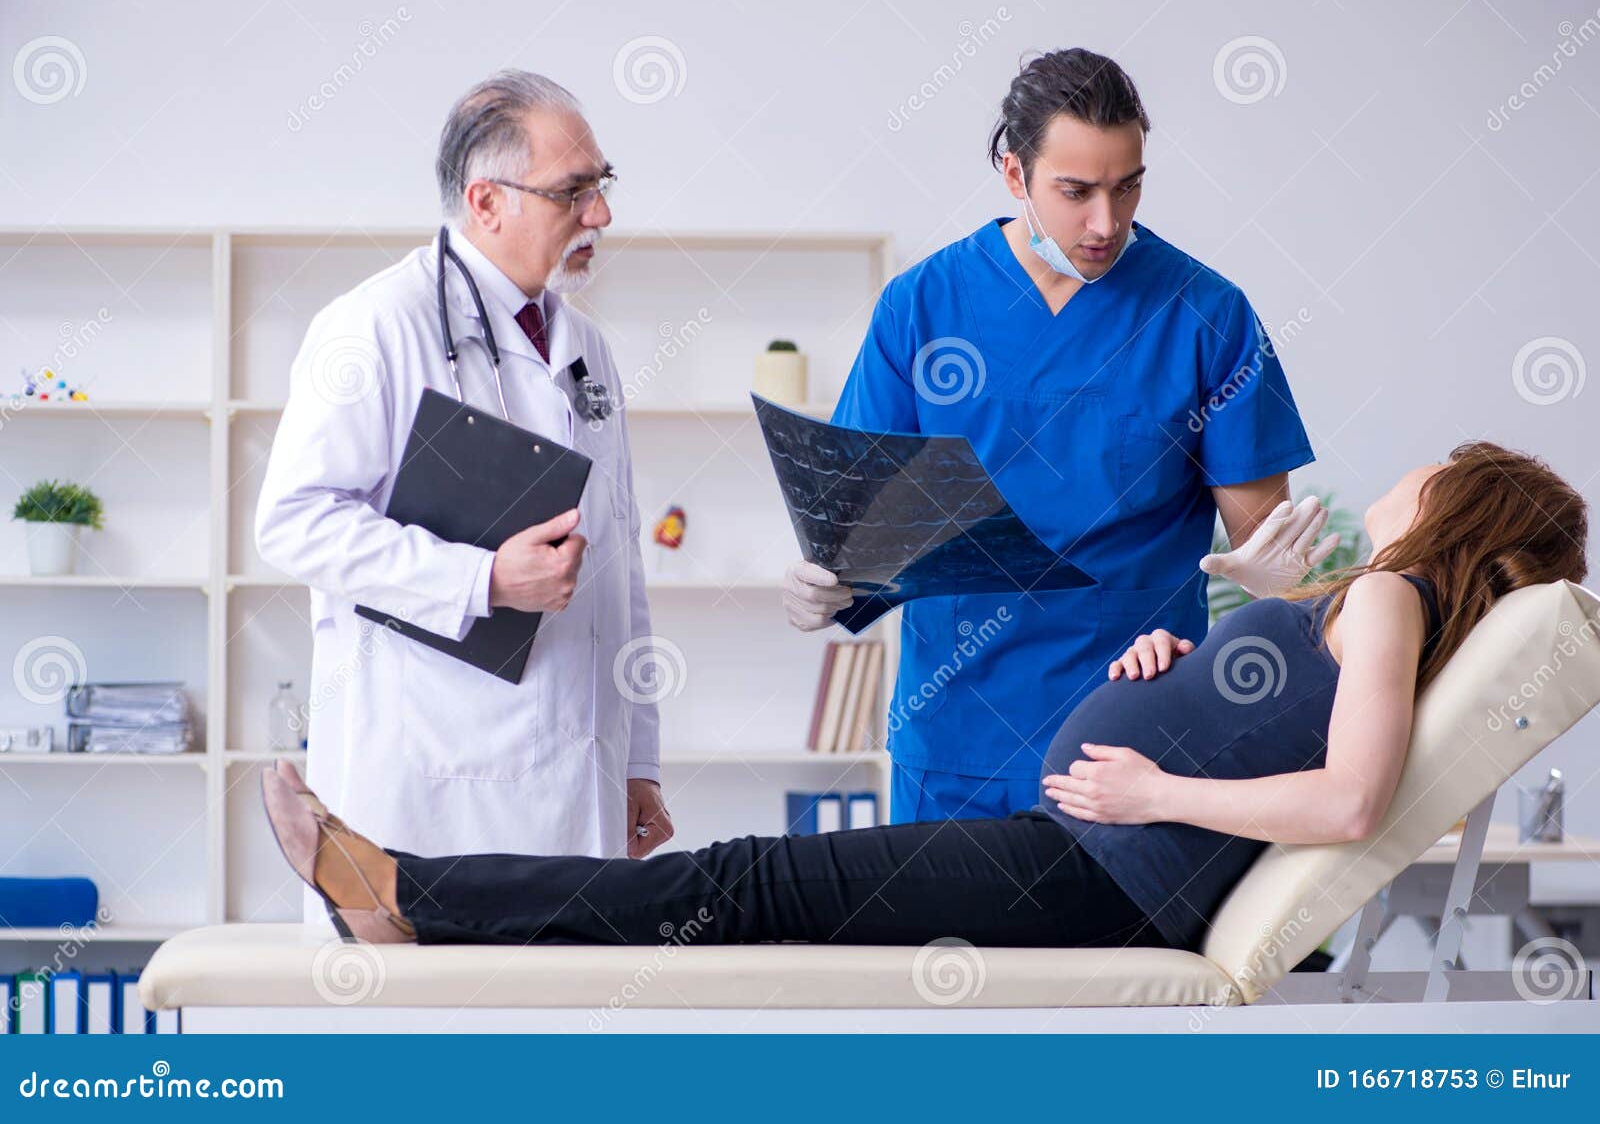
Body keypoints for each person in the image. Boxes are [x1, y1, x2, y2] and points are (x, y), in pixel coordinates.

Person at [261, 443, 1587, 952]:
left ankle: (409, 893)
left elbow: (1349, 799)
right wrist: (1182, 667)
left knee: (744, 884)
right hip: (1085, 856)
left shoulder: (1393, 594)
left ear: (1454, 502)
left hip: (1100, 869)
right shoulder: (1382, 607)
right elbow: (1303, 731)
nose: (1403, 477)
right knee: (744, 886)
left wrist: (1155, 786)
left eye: (1432, 469)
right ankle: (417, 899)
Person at [780, 48, 1337, 826]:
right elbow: (861, 528)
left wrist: (1274, 583)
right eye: (1076, 192)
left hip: (1135, 747)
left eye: (1128, 186)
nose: (1106, 223)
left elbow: (1269, 557)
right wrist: (825, 585)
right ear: (1015, 173)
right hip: (955, 739)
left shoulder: (1207, 316)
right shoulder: (922, 307)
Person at [254, 71, 673, 923]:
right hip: (432, 787)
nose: (600, 213)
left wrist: (638, 762)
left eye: (601, 184)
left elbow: (619, 560)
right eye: (572, 191)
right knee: (428, 1002)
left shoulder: (585, 345)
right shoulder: (376, 325)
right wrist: (482, 580)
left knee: (570, 1003)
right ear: (486, 202)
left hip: (580, 785)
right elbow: (294, 522)